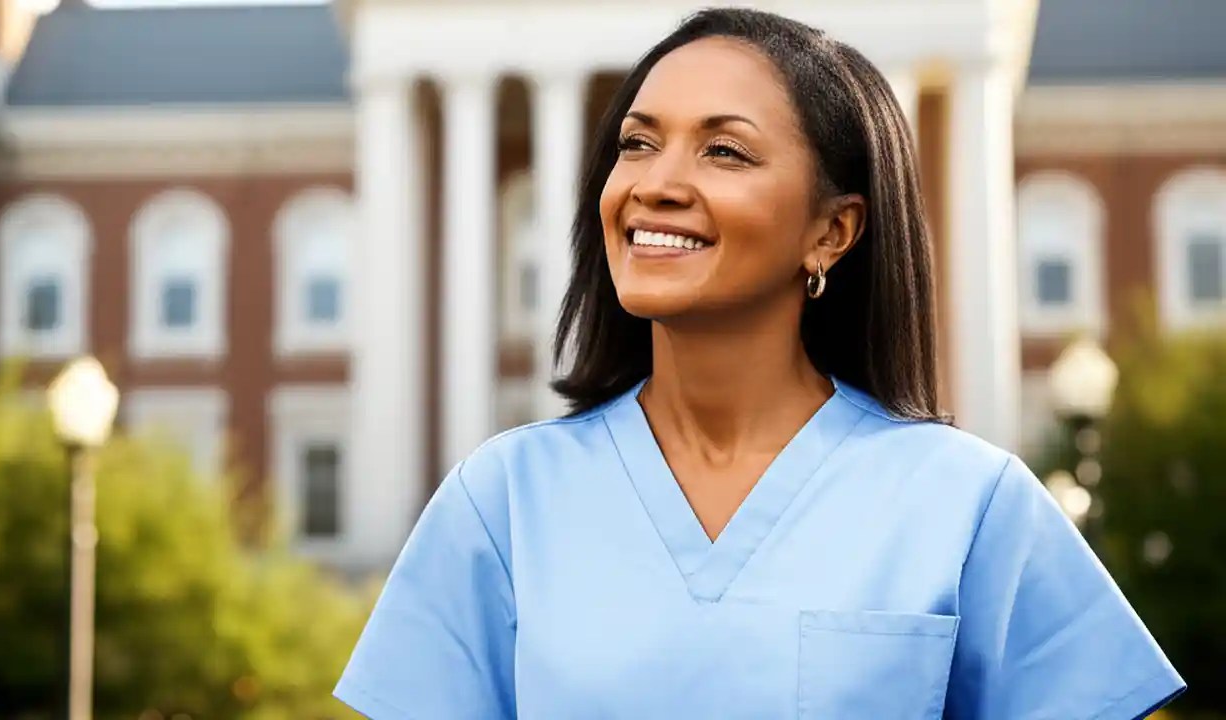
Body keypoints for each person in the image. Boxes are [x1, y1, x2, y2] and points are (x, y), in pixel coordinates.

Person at [335, 8, 1184, 718]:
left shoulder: (968, 505)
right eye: (637, 143)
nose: (655, 184)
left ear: (832, 231)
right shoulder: (503, 503)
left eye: (724, 151)